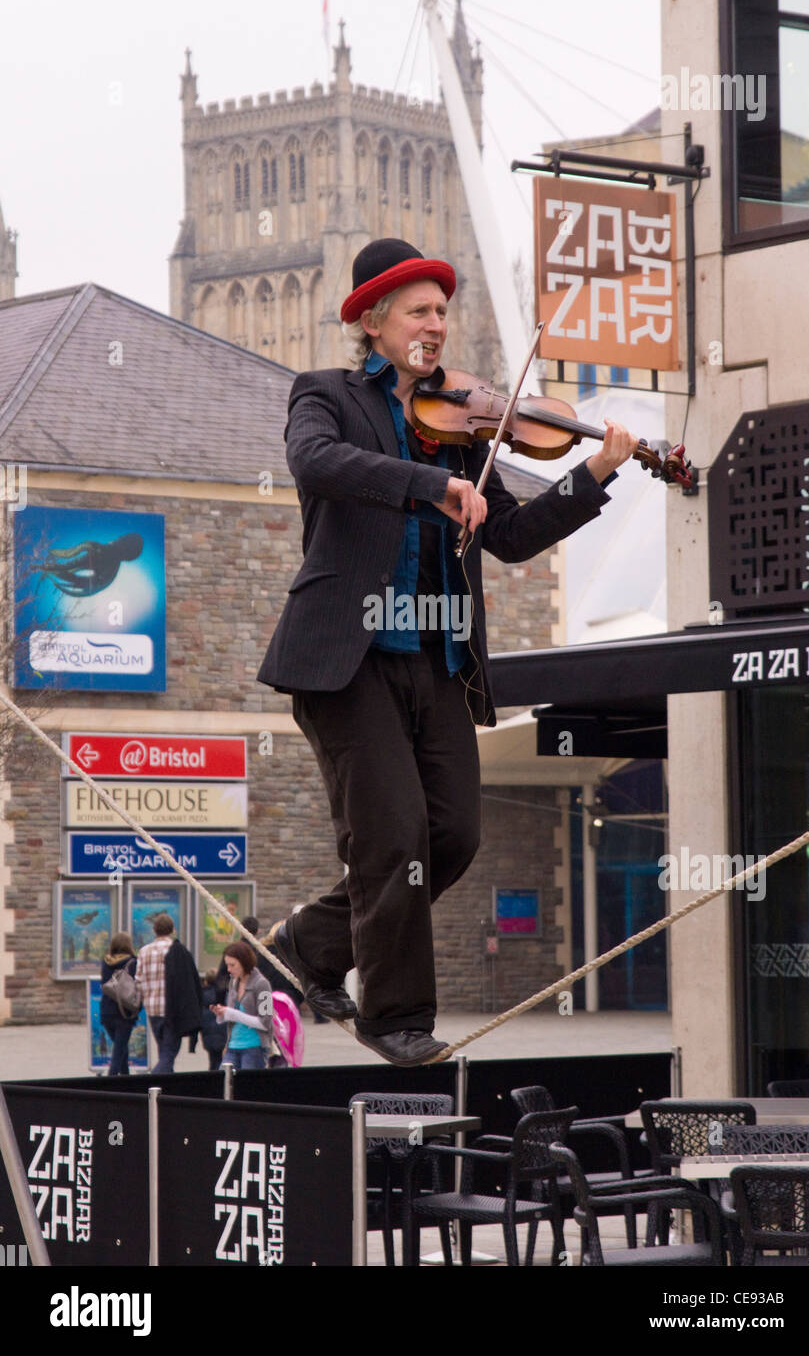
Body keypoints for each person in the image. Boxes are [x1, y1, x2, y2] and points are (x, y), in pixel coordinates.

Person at [257, 237, 639, 1066]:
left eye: (442, 311)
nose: (436, 324)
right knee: (392, 839)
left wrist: (594, 475)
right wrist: (430, 485)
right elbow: (315, 463)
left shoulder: (461, 424)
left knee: (454, 836)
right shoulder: (324, 396)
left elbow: (509, 535)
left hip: (438, 660)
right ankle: (395, 1017)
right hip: (349, 658)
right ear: (373, 321)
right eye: (420, 311)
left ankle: (309, 945)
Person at [135, 912, 202, 1073]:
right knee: (168, 1053)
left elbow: (138, 981)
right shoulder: (178, 951)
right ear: (173, 930)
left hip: (152, 1009)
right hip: (172, 1010)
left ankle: (164, 1087)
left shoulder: (144, 951)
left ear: (154, 930)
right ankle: (151, 1082)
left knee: (164, 1051)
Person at [210, 941, 276, 1070]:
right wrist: (222, 1014)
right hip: (232, 1046)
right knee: (223, 1080)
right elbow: (232, 1015)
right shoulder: (233, 983)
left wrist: (232, 1014)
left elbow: (265, 1022)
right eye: (227, 965)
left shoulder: (262, 984)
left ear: (244, 962)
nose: (229, 969)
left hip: (254, 1047)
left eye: (232, 965)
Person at [100, 932, 139, 1076]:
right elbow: (137, 986)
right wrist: (138, 1007)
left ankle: (125, 1078)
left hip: (106, 1011)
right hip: (124, 1012)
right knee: (118, 1052)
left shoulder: (106, 962)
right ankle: (111, 1081)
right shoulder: (132, 962)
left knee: (121, 1048)